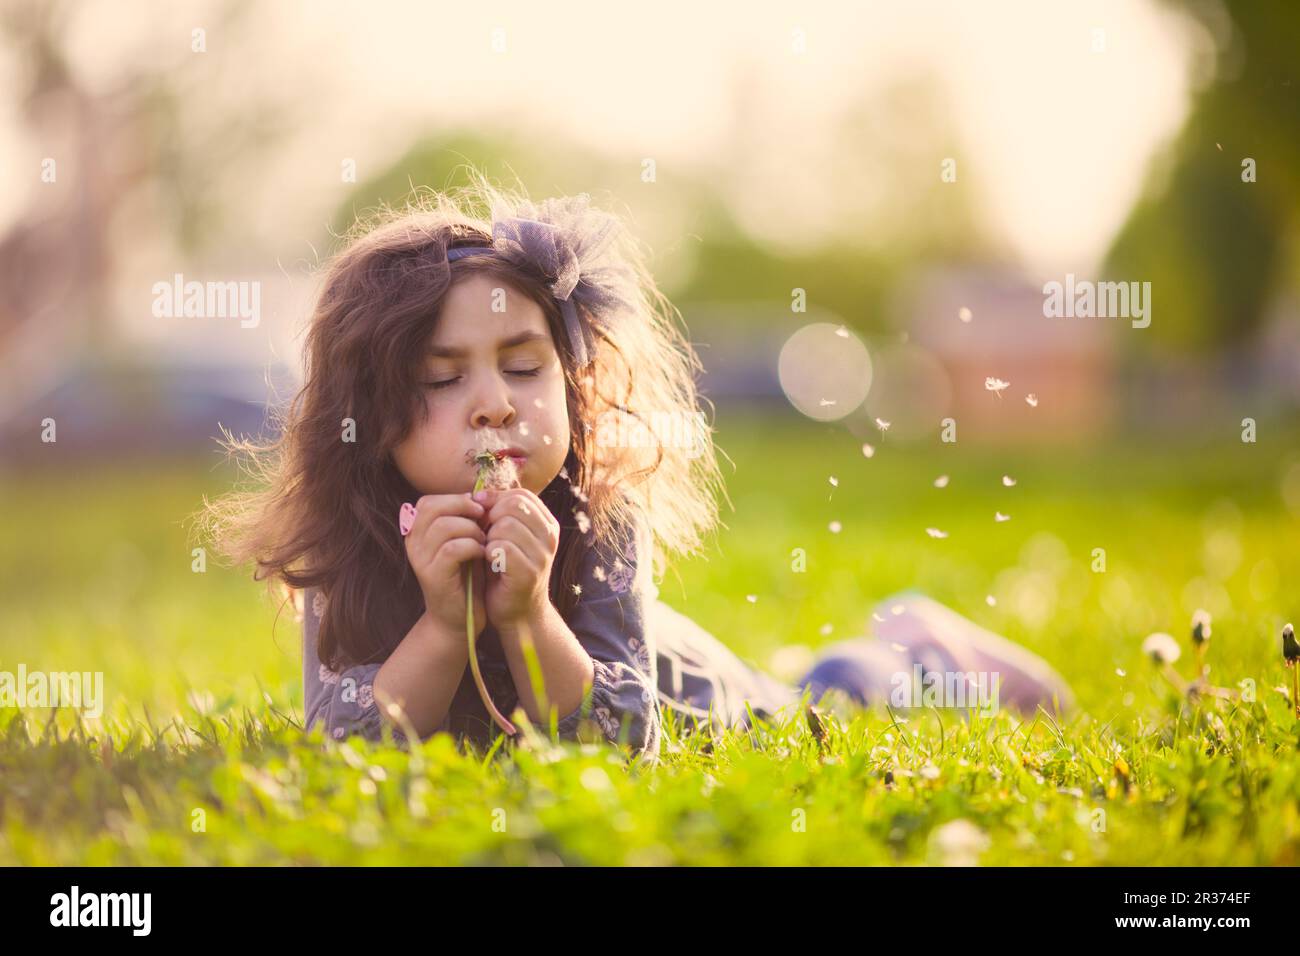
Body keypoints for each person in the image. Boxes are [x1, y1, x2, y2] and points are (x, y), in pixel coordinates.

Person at [201, 173, 1073, 767]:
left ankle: (915, 652)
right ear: (370, 420)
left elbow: (620, 744)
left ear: (571, 383)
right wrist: (439, 626)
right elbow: (346, 749)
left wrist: (527, 609)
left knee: (834, 701)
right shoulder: (349, 541)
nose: (494, 403)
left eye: (523, 365)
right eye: (441, 378)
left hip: (744, 706)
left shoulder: (594, 507)